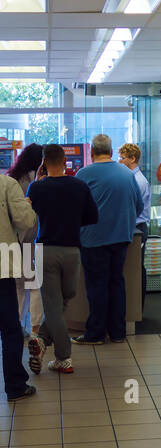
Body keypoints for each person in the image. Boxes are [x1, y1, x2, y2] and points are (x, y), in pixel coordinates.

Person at [27, 144, 99, 375]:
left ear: (44, 163)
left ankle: (43, 342)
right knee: (64, 299)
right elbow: (92, 217)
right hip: (72, 251)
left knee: (55, 305)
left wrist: (38, 182)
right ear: (66, 163)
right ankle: (62, 356)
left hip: (45, 250)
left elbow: (27, 218)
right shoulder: (79, 185)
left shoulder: (36, 188)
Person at [73, 133, 139, 345]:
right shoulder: (127, 174)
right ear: (111, 152)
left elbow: (74, 207)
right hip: (121, 238)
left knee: (97, 286)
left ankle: (96, 333)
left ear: (91, 152)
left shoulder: (84, 174)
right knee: (116, 283)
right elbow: (138, 205)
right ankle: (118, 332)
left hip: (93, 239)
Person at [0, 171, 37, 400]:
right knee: (10, 328)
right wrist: (27, 206)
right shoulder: (6, 183)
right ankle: (15, 386)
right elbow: (26, 221)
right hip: (1, 265)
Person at [7, 143, 43, 338]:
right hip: (28, 241)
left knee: (18, 287)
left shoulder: (12, 178)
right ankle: (35, 329)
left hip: (11, 242)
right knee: (34, 285)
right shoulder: (35, 181)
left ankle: (17, 325)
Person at [119, 142, 150, 318]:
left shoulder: (138, 181)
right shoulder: (131, 178)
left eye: (123, 157)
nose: (119, 161)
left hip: (137, 228)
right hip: (133, 226)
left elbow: (133, 208)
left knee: (137, 268)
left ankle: (138, 309)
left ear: (132, 159)